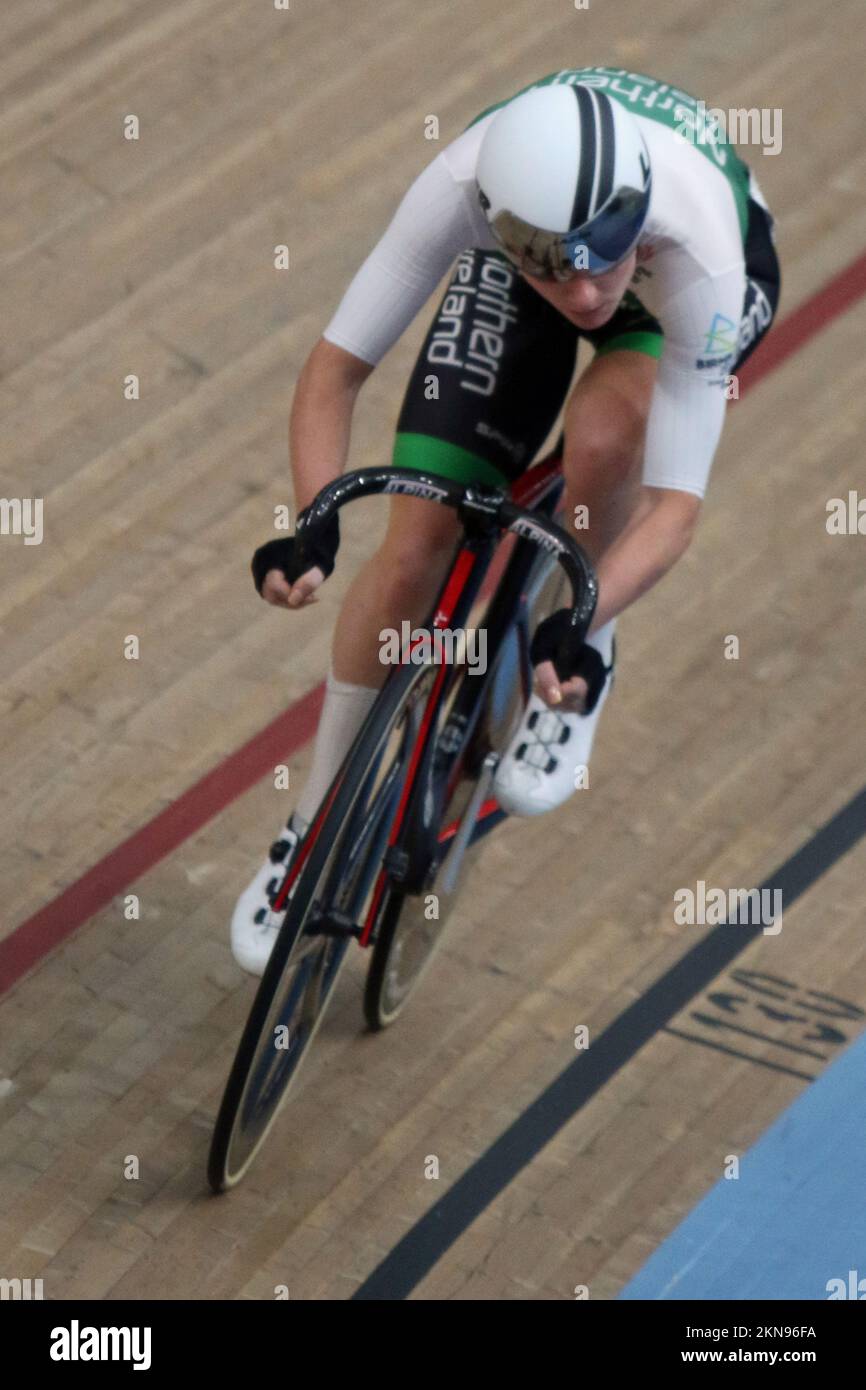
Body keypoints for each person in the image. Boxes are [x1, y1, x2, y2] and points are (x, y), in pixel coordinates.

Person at [231, 67, 781, 975]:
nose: (590, 290)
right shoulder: (461, 188)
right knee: (413, 546)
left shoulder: (700, 250)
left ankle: (583, 646)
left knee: (607, 437)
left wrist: (585, 616)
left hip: (685, 285)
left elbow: (678, 507)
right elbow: (334, 370)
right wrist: (315, 520)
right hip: (513, 263)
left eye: (605, 254)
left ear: (633, 213)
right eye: (563, 269)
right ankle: (311, 821)